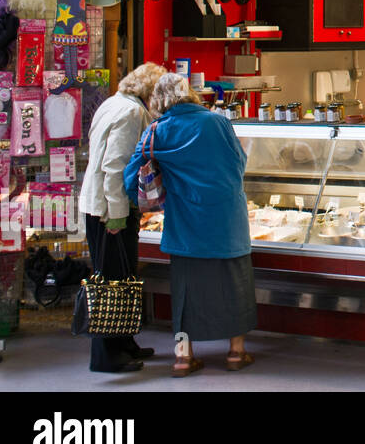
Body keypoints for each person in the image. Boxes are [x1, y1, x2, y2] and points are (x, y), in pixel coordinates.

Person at [124, 73, 256, 377]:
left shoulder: (157, 130)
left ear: (158, 99)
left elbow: (131, 177)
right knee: (235, 284)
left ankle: (183, 355)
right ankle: (236, 352)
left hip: (185, 220)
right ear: (191, 95)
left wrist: (149, 203)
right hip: (227, 218)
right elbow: (239, 164)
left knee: (185, 291)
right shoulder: (218, 121)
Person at [80, 62, 166, 373]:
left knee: (123, 276)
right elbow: (115, 166)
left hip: (102, 205)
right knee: (112, 282)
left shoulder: (114, 102)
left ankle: (125, 343)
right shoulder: (131, 113)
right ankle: (106, 354)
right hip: (108, 210)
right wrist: (116, 215)